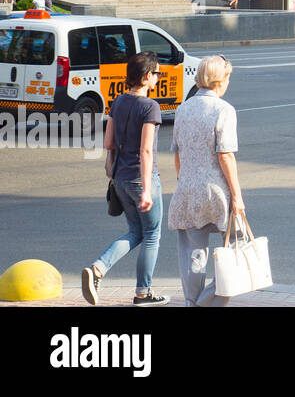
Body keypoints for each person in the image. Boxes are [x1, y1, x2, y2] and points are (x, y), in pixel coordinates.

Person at [82, 52, 169, 306]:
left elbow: (108, 142)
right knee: (152, 234)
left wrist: (110, 165)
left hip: (120, 178)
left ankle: (98, 268)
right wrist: (145, 191)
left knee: (135, 231)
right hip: (142, 180)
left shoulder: (118, 101)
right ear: (146, 76)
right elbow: (145, 150)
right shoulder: (150, 107)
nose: (158, 77)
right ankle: (143, 293)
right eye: (157, 73)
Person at [169, 54, 245, 306]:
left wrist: (184, 180)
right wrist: (237, 196)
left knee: (193, 251)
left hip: (188, 189)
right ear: (220, 81)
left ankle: (192, 302)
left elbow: (177, 151)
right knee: (237, 248)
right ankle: (209, 300)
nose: (229, 82)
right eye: (228, 77)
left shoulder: (182, 109)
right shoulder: (224, 110)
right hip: (218, 191)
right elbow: (225, 156)